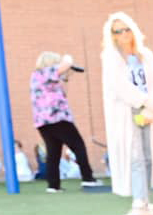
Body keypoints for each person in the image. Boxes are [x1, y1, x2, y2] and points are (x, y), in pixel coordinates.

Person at [101, 12, 153, 215]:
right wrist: (145, 102)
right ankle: (138, 203)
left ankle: (147, 203)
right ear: (112, 35)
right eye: (117, 31)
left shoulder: (145, 55)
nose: (123, 34)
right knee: (136, 157)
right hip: (128, 110)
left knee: (149, 157)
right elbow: (119, 86)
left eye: (126, 29)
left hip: (151, 111)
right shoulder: (111, 57)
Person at [29, 52, 105, 192]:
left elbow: (62, 91)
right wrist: (67, 60)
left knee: (53, 152)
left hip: (43, 122)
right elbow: (67, 62)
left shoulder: (37, 76)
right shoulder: (47, 71)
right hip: (57, 118)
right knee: (78, 146)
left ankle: (53, 185)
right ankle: (88, 178)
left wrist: (64, 76)